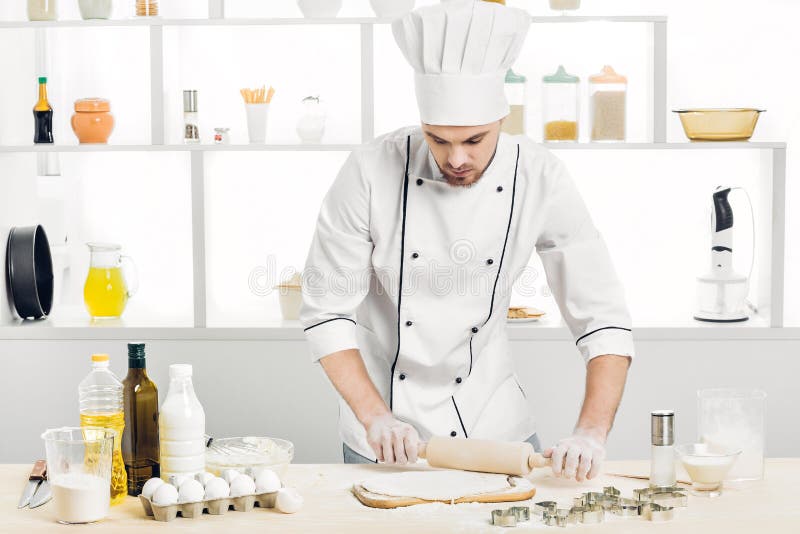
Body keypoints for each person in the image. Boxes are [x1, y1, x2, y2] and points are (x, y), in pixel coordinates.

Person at [300, 0, 634, 482]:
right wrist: (375, 418)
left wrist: (591, 432)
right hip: (388, 435)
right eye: (438, 139)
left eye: (474, 140)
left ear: (502, 118)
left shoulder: (540, 176)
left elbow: (603, 318)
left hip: (498, 429)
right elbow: (326, 312)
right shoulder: (370, 170)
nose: (455, 158)